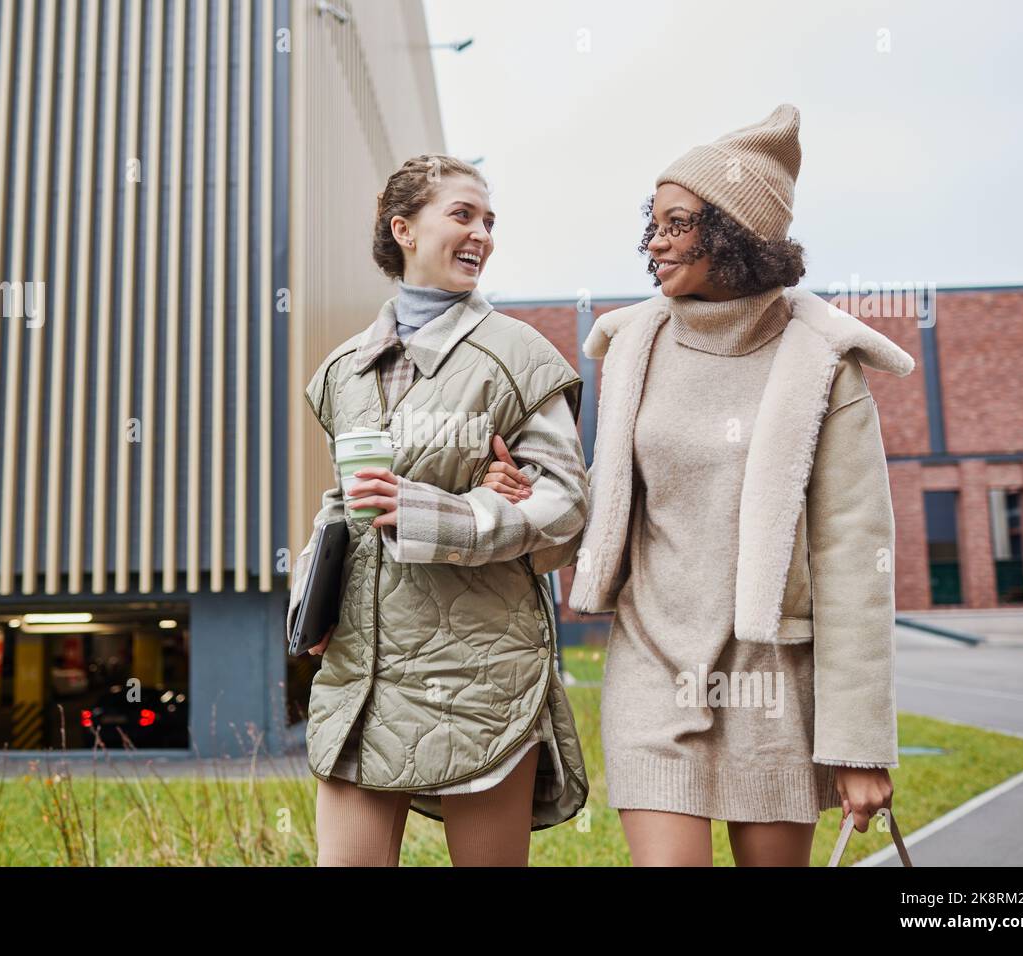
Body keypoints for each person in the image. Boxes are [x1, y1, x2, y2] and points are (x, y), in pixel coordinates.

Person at [482, 104, 914, 865]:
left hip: (772, 681)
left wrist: (860, 744)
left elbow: (855, 559)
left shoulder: (821, 365)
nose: (655, 240)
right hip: (651, 669)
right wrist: (535, 499)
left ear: (736, 236)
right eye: (652, 222)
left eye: (678, 224)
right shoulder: (634, 343)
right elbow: (612, 511)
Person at [287, 154, 592, 866]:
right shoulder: (342, 371)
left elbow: (565, 503)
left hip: (480, 668)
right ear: (404, 230)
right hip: (362, 668)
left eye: (489, 221)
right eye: (463, 215)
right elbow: (341, 505)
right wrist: (311, 603)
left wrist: (440, 513)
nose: (481, 234)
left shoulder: (520, 356)